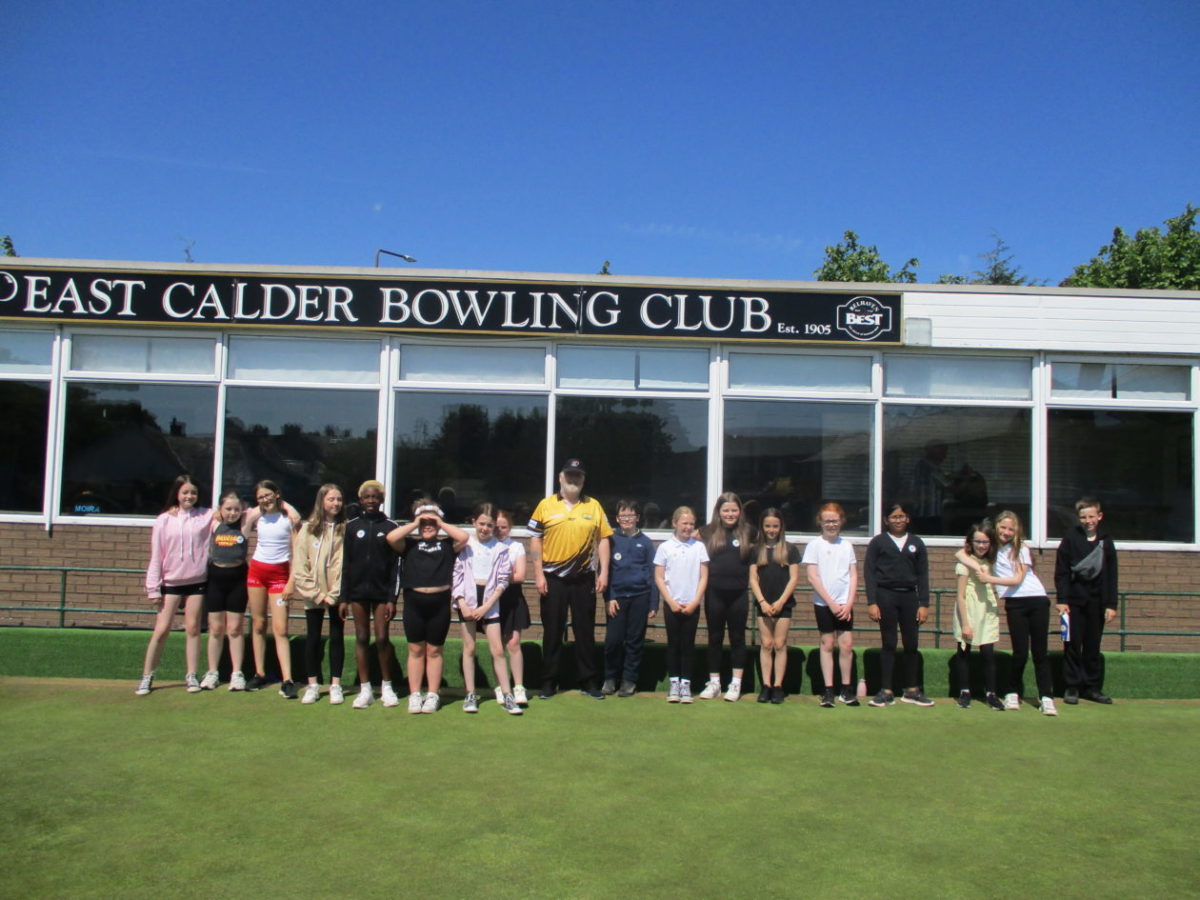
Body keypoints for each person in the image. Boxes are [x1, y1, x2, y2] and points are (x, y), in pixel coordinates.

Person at [527, 458, 613, 700]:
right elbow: (535, 539)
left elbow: (604, 539)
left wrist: (603, 572)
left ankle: (588, 681)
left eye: (578, 476)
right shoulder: (545, 505)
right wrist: (538, 573)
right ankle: (548, 682)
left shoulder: (594, 506)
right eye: (569, 475)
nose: (573, 479)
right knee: (552, 631)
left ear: (583, 480)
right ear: (560, 478)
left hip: (584, 579)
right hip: (553, 578)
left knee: (585, 632)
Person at [957, 510, 1057, 716]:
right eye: (1003, 527)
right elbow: (959, 554)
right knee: (1020, 652)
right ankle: (1013, 692)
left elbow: (1017, 580)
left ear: (1016, 531)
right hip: (1014, 604)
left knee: (1039, 652)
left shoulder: (1021, 548)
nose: (1006, 532)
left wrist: (989, 580)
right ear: (996, 527)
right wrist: (978, 567)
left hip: (1037, 600)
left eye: (1011, 529)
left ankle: (1046, 697)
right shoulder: (991, 547)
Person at [388, 498, 468, 713]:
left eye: (431, 522)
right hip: (414, 602)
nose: (428, 525)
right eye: (424, 522)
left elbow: (464, 536)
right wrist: (416, 522)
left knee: (434, 650)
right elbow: (391, 538)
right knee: (415, 649)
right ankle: (415, 694)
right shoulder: (410, 544)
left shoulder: (446, 545)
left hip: (439, 604)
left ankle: (432, 694)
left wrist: (438, 522)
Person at [136, 475, 213, 696]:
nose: (190, 496)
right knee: (161, 630)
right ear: (177, 494)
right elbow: (156, 555)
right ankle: (147, 676)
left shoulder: (205, 516)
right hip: (170, 583)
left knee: (193, 629)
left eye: (194, 493)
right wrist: (153, 587)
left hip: (197, 581)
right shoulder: (163, 520)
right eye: (185, 492)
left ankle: (191, 675)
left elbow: (234, 511)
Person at [452, 503, 521, 715]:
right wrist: (462, 603)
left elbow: (502, 581)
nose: (484, 529)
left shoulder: (501, 549)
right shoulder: (465, 545)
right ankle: (470, 695)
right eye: (481, 524)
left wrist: (487, 606)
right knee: (470, 648)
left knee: (498, 650)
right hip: (468, 601)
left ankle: (508, 695)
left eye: (489, 525)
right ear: (473, 522)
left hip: (490, 603)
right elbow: (457, 575)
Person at [865, 502, 934, 707]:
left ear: (908, 518)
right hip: (885, 596)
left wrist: (924, 603)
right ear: (886, 520)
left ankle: (912, 690)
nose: (898, 520)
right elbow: (869, 574)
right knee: (889, 643)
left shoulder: (916, 543)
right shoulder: (878, 542)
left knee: (911, 643)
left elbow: (923, 575)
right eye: (894, 517)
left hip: (909, 598)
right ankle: (886, 690)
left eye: (902, 516)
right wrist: (872, 602)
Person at [284, 484, 346, 705]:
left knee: (337, 638)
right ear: (322, 501)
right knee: (313, 638)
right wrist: (317, 594)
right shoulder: (308, 529)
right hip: (314, 596)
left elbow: (343, 564)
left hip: (336, 596)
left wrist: (334, 594)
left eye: (339, 499)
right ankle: (313, 685)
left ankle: (336, 685)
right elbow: (300, 567)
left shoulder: (344, 529)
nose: (335, 503)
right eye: (331, 499)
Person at [341, 481, 400, 709]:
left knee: (383, 638)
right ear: (360, 500)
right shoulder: (352, 526)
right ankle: (365, 689)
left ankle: (387, 687)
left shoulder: (391, 526)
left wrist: (391, 598)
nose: (371, 500)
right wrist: (343, 598)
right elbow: (346, 564)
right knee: (362, 638)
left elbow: (396, 566)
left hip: (381, 593)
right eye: (367, 497)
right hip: (357, 593)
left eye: (375, 497)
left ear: (381, 499)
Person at [1054, 498, 1118, 705]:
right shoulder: (1070, 539)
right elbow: (1062, 572)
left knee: (1092, 645)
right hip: (1074, 601)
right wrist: (1062, 600)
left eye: (1092, 516)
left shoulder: (1106, 542)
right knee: (1072, 643)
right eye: (1083, 517)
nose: (1088, 520)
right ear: (1078, 518)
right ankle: (1071, 687)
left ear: (1099, 516)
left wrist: (1111, 604)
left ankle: (1091, 687)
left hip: (1097, 601)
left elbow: (1111, 575)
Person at [243, 480, 302, 698]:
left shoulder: (288, 517)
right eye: (260, 497)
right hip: (257, 573)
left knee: (281, 628)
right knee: (258, 623)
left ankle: (287, 679)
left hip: (280, 575)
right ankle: (259, 673)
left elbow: (297, 550)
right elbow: (243, 527)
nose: (265, 500)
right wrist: (258, 509)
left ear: (277, 494)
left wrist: (291, 582)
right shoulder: (256, 516)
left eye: (268, 495)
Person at [698, 492, 755, 702]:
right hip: (714, 593)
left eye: (734, 510)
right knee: (714, 638)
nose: (730, 514)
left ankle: (735, 683)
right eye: (726, 510)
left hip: (739, 594)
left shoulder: (749, 532)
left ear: (739, 511)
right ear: (719, 512)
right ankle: (714, 683)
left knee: (738, 638)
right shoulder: (706, 531)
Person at [803, 503, 859, 708]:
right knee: (827, 644)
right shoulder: (814, 545)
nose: (831, 525)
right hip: (823, 604)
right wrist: (831, 603)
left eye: (834, 520)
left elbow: (853, 575)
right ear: (821, 522)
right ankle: (828, 690)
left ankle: (846, 689)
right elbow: (812, 577)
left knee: (846, 645)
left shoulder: (847, 545)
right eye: (827, 521)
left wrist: (848, 602)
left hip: (845, 604)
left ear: (841, 521)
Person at [602, 500, 657, 697]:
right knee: (613, 641)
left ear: (637, 518)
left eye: (630, 515)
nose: (627, 519)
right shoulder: (610, 541)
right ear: (617, 519)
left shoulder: (646, 543)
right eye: (623, 516)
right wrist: (609, 597)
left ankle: (629, 680)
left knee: (635, 641)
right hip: (617, 599)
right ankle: (610, 678)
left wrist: (653, 603)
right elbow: (604, 572)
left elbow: (653, 574)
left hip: (640, 597)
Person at [654, 506, 709, 704]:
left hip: (692, 605)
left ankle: (686, 684)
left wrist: (695, 601)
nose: (688, 527)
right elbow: (659, 577)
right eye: (684, 523)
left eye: (691, 524)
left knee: (688, 644)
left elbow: (704, 577)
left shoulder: (699, 547)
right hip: (672, 604)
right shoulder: (665, 547)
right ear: (675, 523)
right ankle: (674, 683)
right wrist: (670, 601)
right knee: (673, 644)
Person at [749, 508, 800, 704]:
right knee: (767, 644)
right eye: (768, 526)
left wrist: (780, 602)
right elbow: (753, 578)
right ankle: (766, 685)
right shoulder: (756, 550)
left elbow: (794, 578)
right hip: (763, 604)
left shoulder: (790, 549)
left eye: (775, 526)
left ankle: (778, 685)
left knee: (779, 644)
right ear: (762, 527)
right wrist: (762, 601)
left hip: (783, 605)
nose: (771, 530)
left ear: (781, 527)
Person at [953, 523, 1004, 710]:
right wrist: (965, 623)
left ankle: (991, 693)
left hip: (987, 609)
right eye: (978, 542)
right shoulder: (965, 562)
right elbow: (960, 594)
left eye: (986, 542)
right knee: (964, 651)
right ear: (971, 542)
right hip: (968, 609)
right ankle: (964, 692)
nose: (982, 546)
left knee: (988, 653)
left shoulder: (991, 561)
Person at [204, 490, 250, 692]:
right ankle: (212, 672)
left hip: (238, 579)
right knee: (215, 629)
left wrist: (289, 510)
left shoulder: (244, 524)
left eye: (236, 509)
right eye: (228, 509)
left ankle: (237, 673)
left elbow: (267, 506)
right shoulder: (213, 523)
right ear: (220, 509)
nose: (232, 513)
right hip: (215, 578)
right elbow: (194, 513)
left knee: (234, 629)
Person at [495, 509, 532, 706]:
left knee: (514, 642)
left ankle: (519, 687)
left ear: (510, 528)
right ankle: (500, 686)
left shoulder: (516, 546)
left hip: (512, 598)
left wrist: (499, 576)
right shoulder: (487, 545)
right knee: (498, 646)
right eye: (497, 527)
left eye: (504, 527)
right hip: (493, 599)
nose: (500, 531)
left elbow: (519, 575)